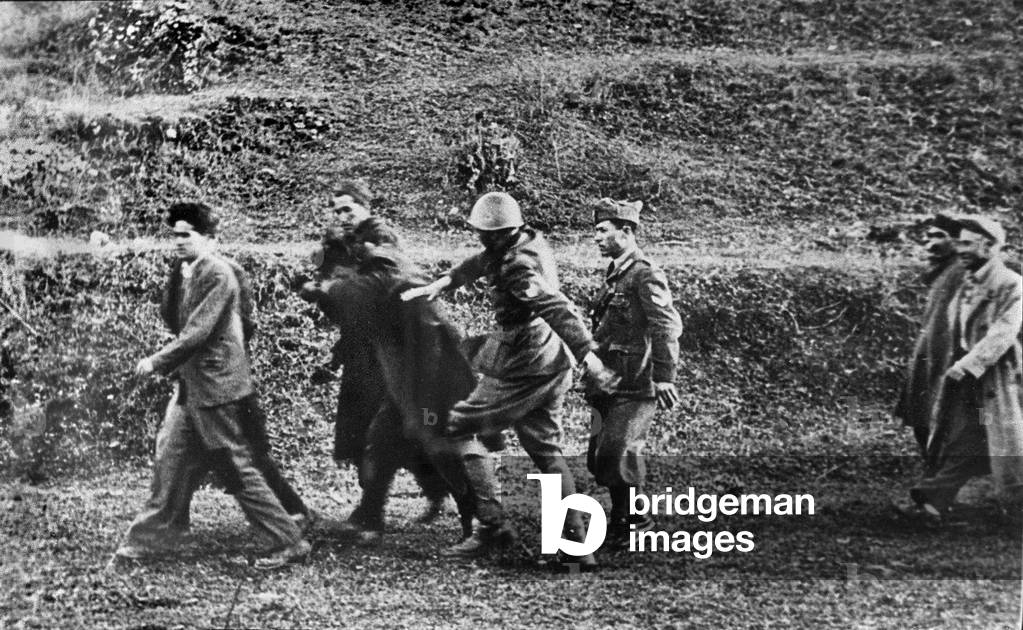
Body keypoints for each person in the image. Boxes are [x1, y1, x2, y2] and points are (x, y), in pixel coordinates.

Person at [401, 191, 616, 569]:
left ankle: (490, 525)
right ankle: (579, 549)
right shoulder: (526, 239)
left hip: (524, 363)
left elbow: (555, 307)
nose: (481, 239)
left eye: (486, 234)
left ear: (503, 234)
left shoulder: (518, 265)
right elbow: (483, 261)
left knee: (457, 427)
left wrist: (589, 354)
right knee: (545, 450)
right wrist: (446, 281)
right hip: (549, 359)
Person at [111, 203, 309, 570]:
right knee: (169, 458)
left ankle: (287, 540)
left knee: (235, 468)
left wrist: (156, 361)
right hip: (192, 384)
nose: (179, 241)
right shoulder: (188, 272)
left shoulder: (219, 274)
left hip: (216, 388)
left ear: (211, 240)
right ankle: (153, 538)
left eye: (187, 235)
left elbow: (198, 332)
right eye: (175, 235)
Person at [163, 254, 313, 531]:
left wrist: (213, 351)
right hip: (199, 375)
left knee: (243, 454)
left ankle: (291, 515)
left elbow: (242, 324)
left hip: (223, 379)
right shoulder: (187, 271)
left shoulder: (226, 272)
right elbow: (172, 315)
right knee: (180, 453)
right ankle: (174, 523)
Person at [897, 216, 1023, 524]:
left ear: (990, 245)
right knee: (966, 438)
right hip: (965, 381)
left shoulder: (1011, 284)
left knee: (990, 439)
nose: (961, 249)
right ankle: (934, 500)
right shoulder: (966, 282)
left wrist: (968, 365)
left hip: (993, 380)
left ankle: (934, 498)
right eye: (961, 242)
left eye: (968, 243)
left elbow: (1003, 333)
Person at [586, 198, 682, 550]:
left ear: (625, 232)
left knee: (616, 451)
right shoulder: (616, 272)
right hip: (607, 383)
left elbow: (666, 325)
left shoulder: (645, 273)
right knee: (598, 457)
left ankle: (636, 521)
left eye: (602, 231)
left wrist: (665, 375)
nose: (595, 238)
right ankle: (622, 518)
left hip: (636, 383)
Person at [894, 214, 966, 456]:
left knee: (938, 421)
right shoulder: (944, 272)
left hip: (945, 359)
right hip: (930, 356)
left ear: (957, 241)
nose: (929, 243)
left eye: (938, 236)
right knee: (924, 420)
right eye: (928, 237)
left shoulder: (960, 272)